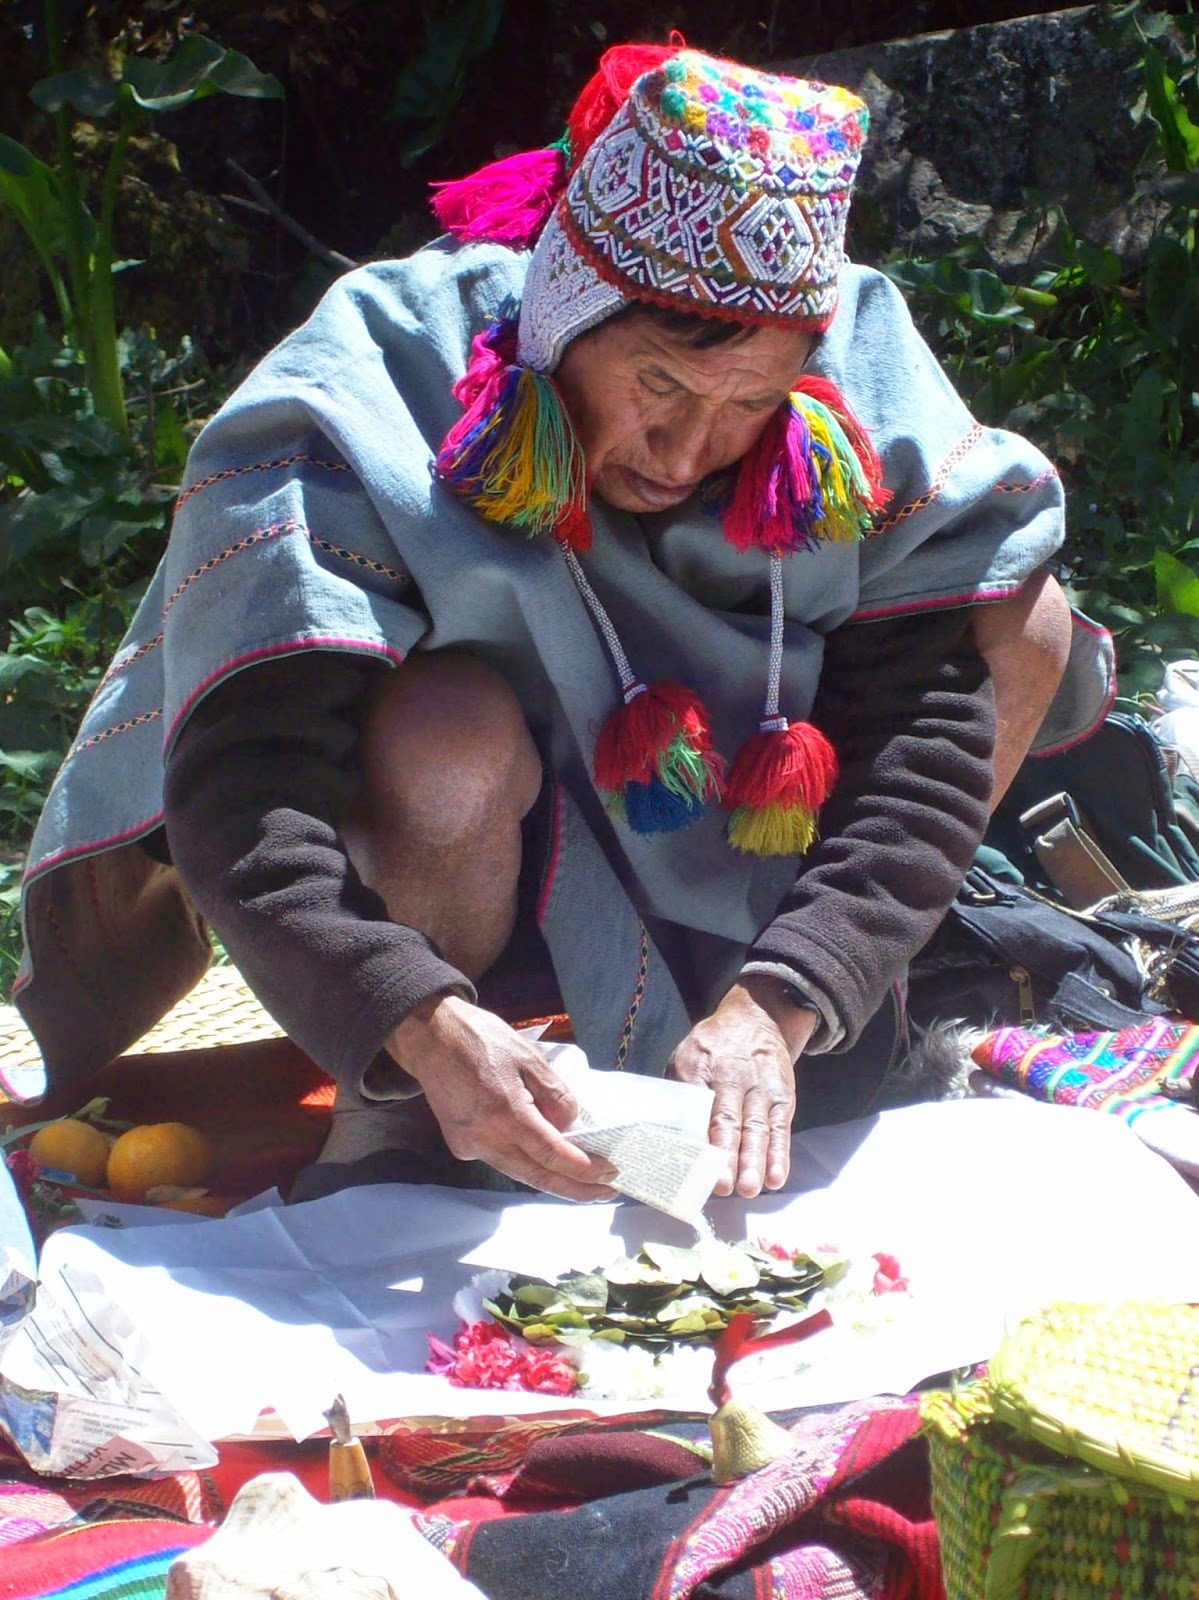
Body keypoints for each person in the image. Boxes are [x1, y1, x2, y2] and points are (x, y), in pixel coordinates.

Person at [12, 45, 1112, 1203]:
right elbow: (246, 788)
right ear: (564, 311)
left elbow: (918, 736)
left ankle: (804, 1015)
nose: (690, 453)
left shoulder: (855, 397)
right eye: (658, 388)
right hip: (463, 861)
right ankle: (415, 1116)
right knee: (447, 736)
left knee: (1018, 622)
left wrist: (789, 995)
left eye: (749, 405)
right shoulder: (384, 379)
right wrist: (413, 1017)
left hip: (736, 827)